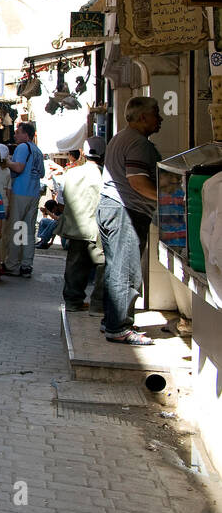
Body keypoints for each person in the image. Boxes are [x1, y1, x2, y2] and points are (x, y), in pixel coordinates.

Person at [97, 98, 163, 345]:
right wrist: (167, 199)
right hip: (125, 211)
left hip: (112, 208)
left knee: (116, 268)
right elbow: (137, 181)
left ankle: (112, 321)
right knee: (126, 270)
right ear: (142, 117)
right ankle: (119, 327)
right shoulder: (137, 142)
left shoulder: (121, 137)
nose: (161, 119)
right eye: (156, 113)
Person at [60, 137, 105, 319]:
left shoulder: (71, 173)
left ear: (84, 154)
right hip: (96, 227)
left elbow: (64, 197)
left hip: (74, 226)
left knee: (75, 266)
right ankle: (98, 305)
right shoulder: (104, 175)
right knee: (103, 266)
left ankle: (73, 302)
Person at [3, 121, 46, 278]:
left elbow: (19, 167)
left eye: (17, 132)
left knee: (16, 228)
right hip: (33, 193)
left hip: (20, 191)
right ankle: (26, 265)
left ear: (25, 135)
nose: (15, 135)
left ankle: (12, 264)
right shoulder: (38, 151)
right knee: (28, 231)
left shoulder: (23, 147)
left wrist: (6, 161)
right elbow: (41, 173)